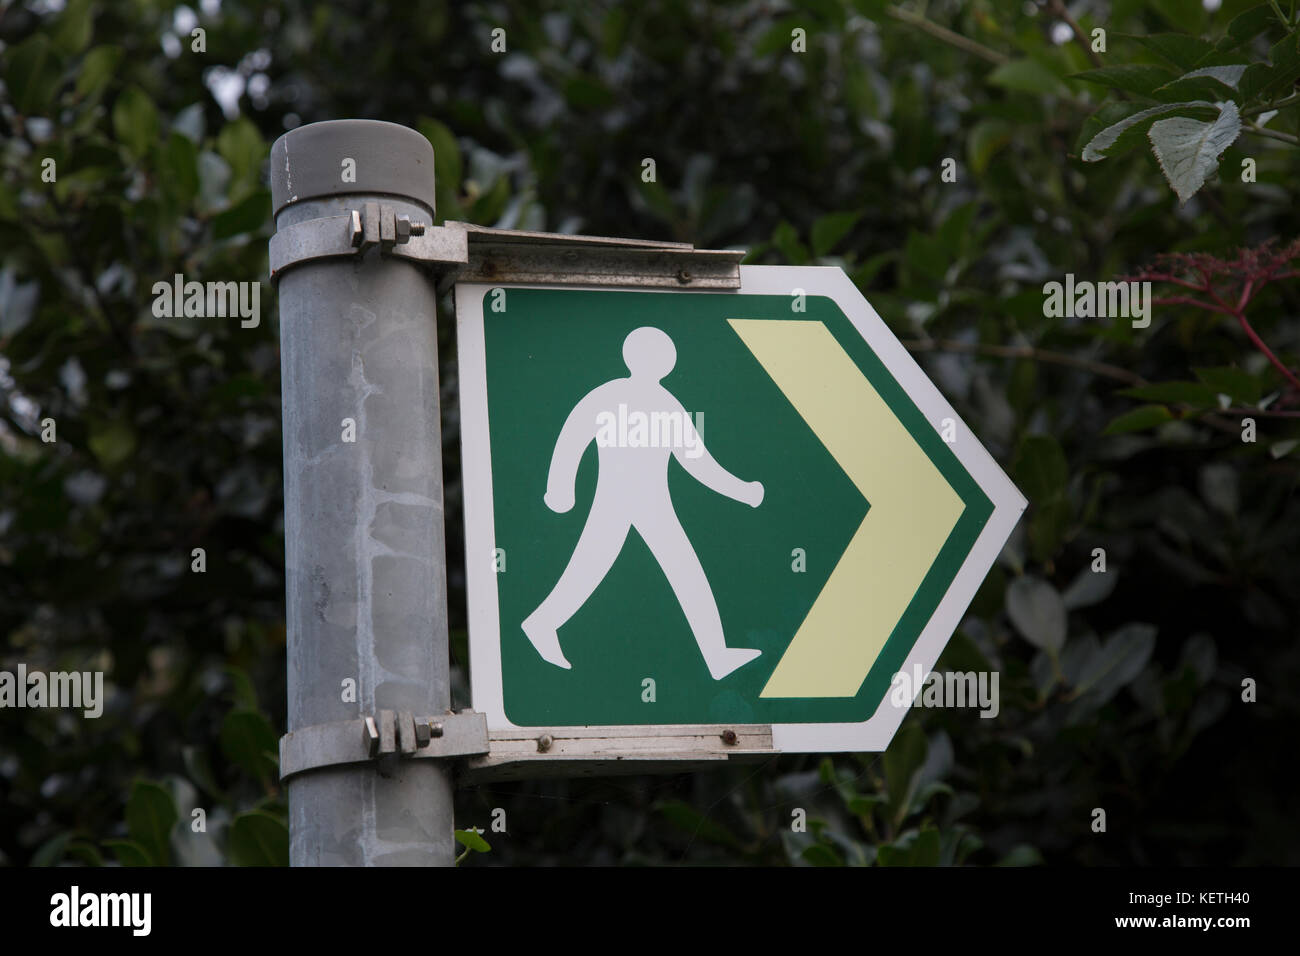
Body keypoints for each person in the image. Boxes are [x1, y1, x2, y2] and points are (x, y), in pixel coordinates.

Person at [522, 326, 764, 679]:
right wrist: (560, 489)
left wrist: (743, 491)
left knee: (682, 572)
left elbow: (697, 462)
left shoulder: (667, 406)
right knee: (593, 570)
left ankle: (717, 655)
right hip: (617, 500)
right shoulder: (616, 397)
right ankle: (542, 623)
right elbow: (574, 437)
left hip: (652, 503)